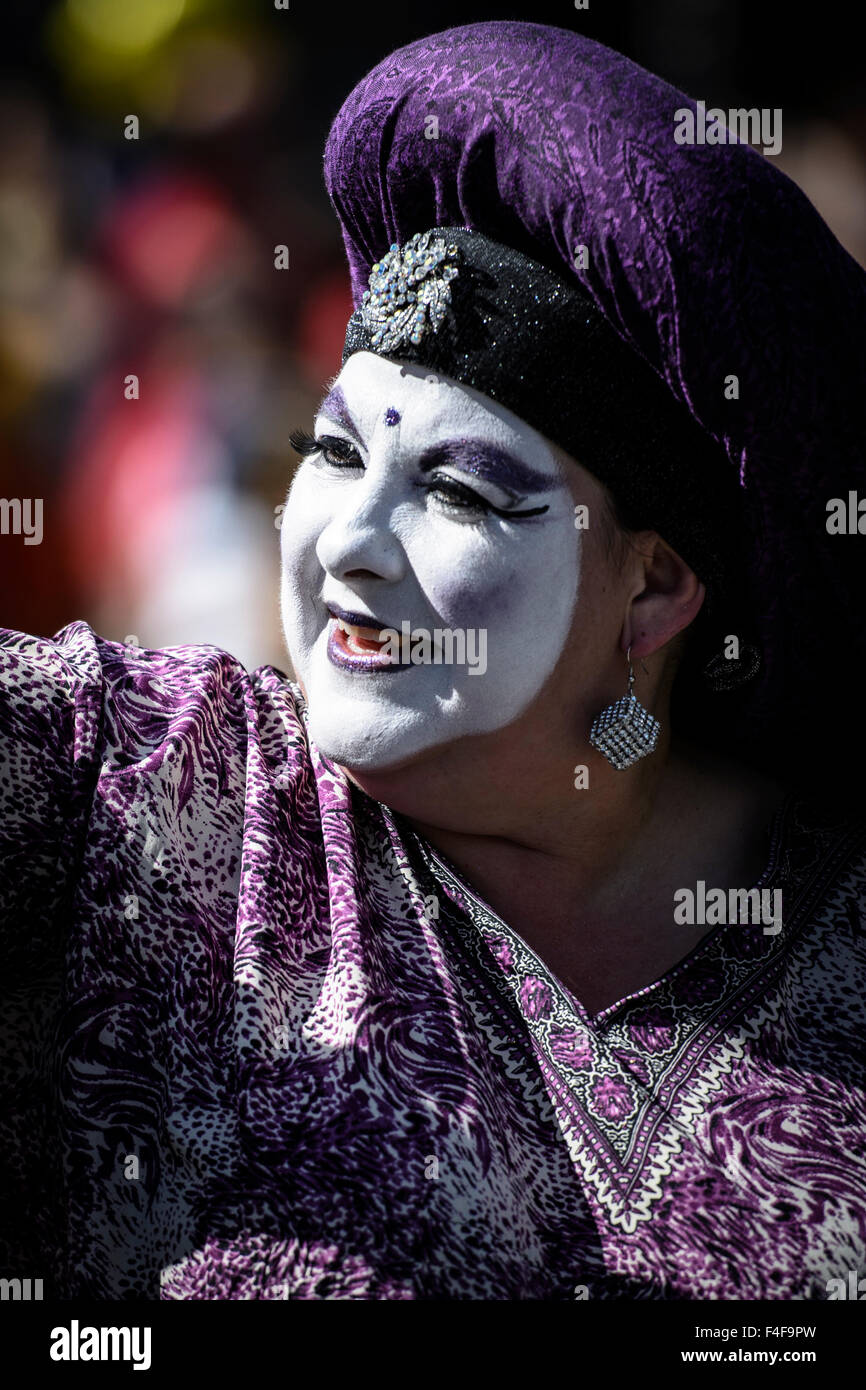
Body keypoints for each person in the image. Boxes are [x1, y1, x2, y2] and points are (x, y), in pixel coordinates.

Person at [1, 20, 865, 1301]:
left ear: (656, 588)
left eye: (459, 489)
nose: (348, 541)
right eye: (334, 452)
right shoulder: (151, 789)